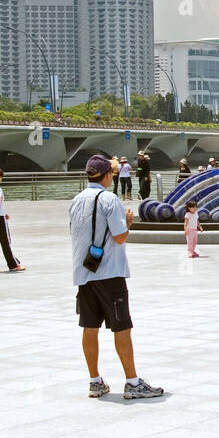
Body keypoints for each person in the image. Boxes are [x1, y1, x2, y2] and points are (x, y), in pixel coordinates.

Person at [68, 154, 165, 400]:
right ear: (108, 175)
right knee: (122, 326)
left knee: (89, 327)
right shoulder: (109, 199)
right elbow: (120, 236)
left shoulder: (76, 200)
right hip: (110, 272)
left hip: (84, 271)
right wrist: (129, 222)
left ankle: (95, 381)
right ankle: (132, 382)